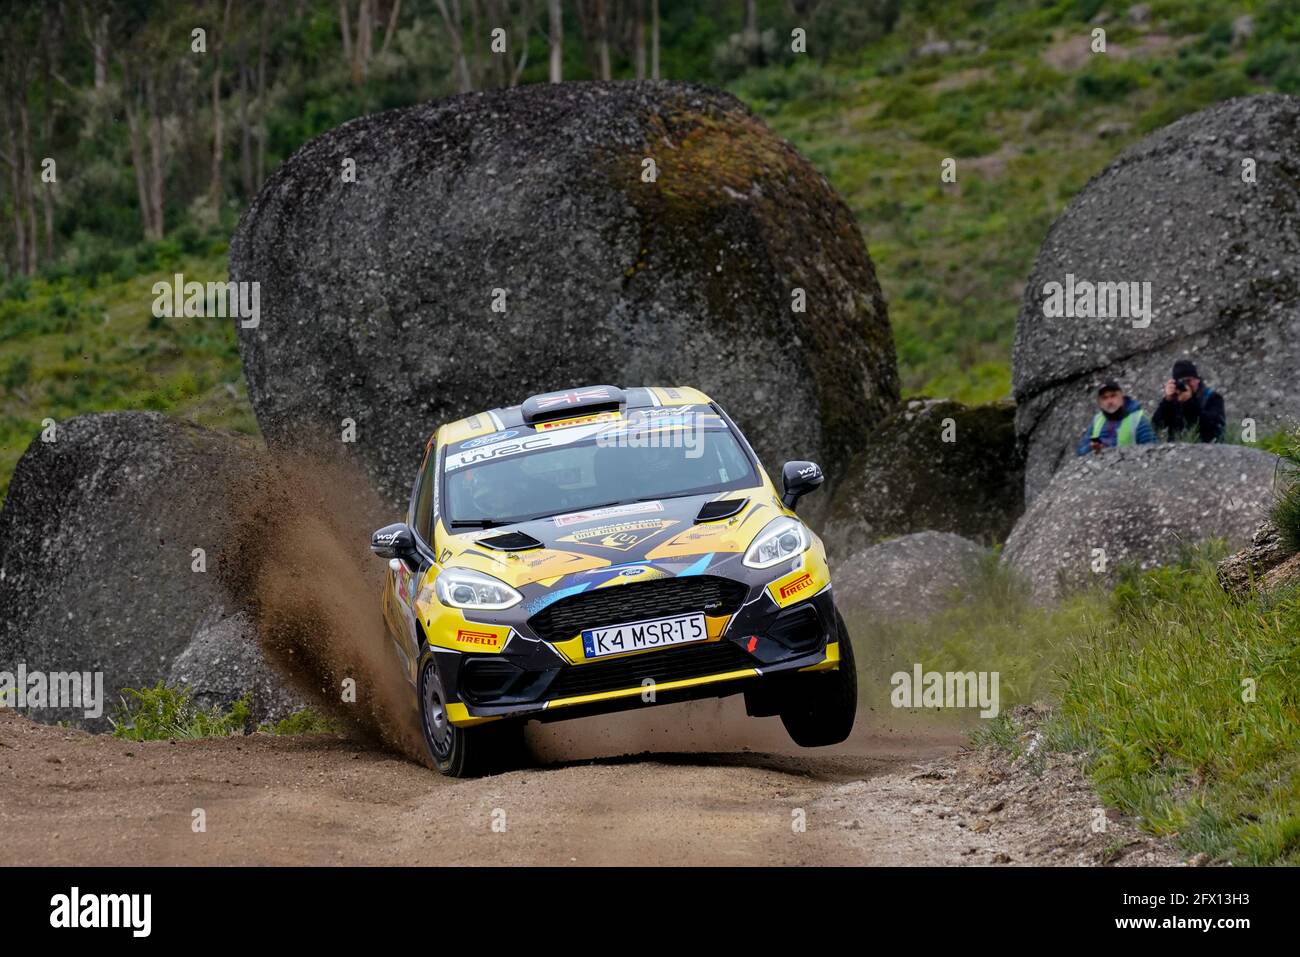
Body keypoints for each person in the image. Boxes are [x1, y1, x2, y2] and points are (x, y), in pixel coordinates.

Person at [1152, 359, 1225, 443]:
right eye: (1181, 382)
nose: (1186, 385)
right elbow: (1156, 426)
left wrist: (1188, 403)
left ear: (1197, 380)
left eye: (1188, 381)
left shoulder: (1213, 398)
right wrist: (1167, 401)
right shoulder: (1174, 400)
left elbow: (1212, 427)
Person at [1076, 380, 1155, 455]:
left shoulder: (1139, 420)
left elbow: (1152, 451)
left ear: (1122, 396)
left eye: (1113, 396)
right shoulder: (1097, 420)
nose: (1109, 401)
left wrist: (1109, 449)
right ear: (1100, 403)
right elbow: (1080, 451)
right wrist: (1091, 447)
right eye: (1104, 398)